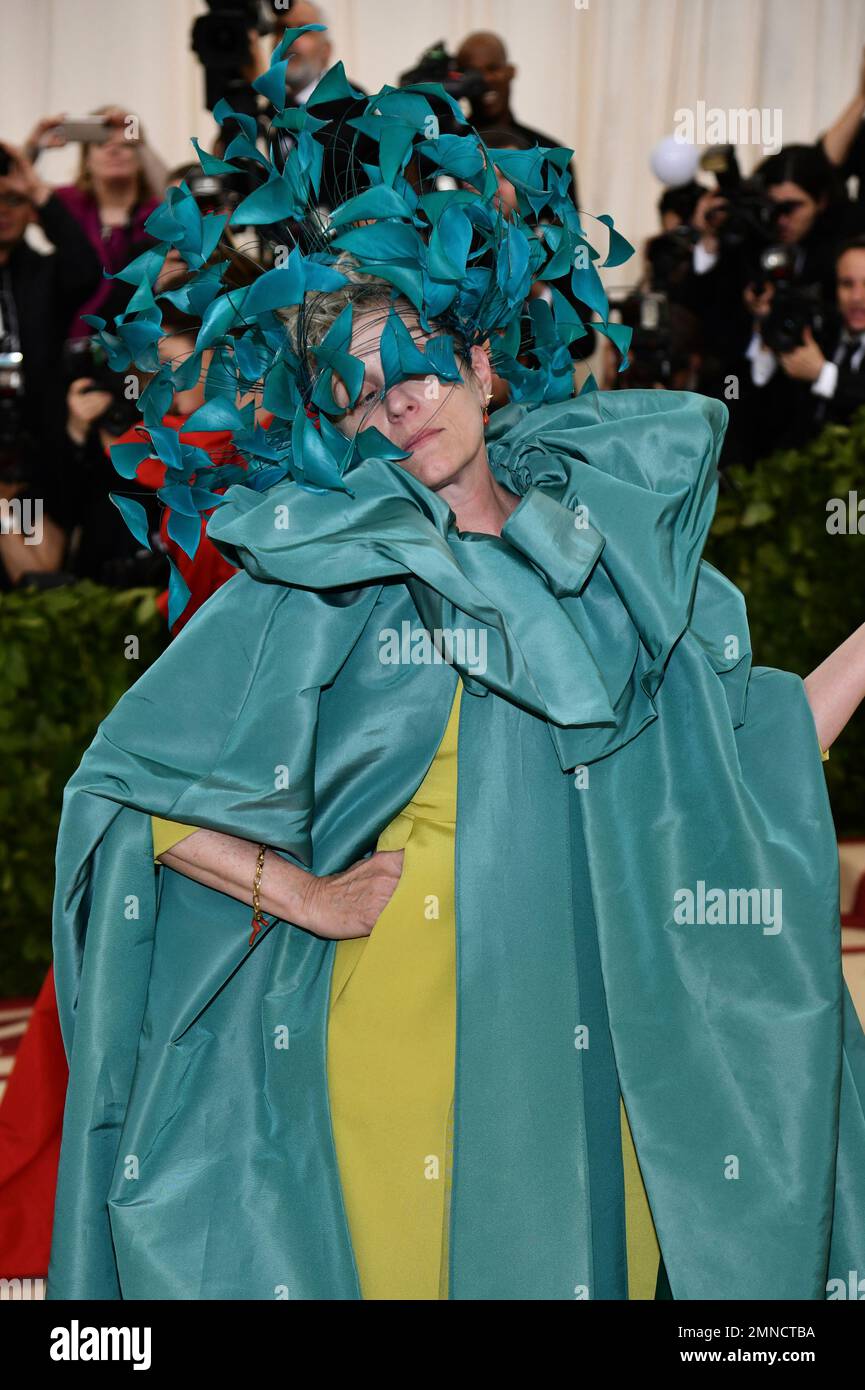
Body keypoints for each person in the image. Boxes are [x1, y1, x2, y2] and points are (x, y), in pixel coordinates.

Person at [46, 30, 865, 1303]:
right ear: (343, 429)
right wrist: (303, 895)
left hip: (586, 1036)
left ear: (482, 364)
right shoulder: (320, 577)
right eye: (364, 396)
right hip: (387, 1040)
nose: (405, 403)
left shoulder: (615, 558)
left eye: (421, 363)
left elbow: (748, 752)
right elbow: (119, 790)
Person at [0, 140, 101, 505]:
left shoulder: (45, 272)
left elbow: (86, 270)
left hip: (40, 440)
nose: (4, 211)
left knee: (32, 547)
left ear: (31, 211)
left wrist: (39, 191)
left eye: (14, 201)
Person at [23, 106, 167, 338]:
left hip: (138, 336)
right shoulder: (69, 202)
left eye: (126, 145)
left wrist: (143, 143)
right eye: (101, 144)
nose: (114, 150)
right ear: (87, 160)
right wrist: (34, 145)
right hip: (71, 337)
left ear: (140, 159)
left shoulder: (155, 209)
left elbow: (183, 208)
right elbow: (16, 195)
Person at [742, 234, 865, 458]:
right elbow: (758, 387)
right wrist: (768, 319)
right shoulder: (821, 333)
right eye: (847, 284)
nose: (857, 296)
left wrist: (822, 374)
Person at [455, 30, 579, 206]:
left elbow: (566, 230)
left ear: (510, 71)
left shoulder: (550, 156)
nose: (485, 80)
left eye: (493, 69)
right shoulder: (443, 152)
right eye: (473, 73)